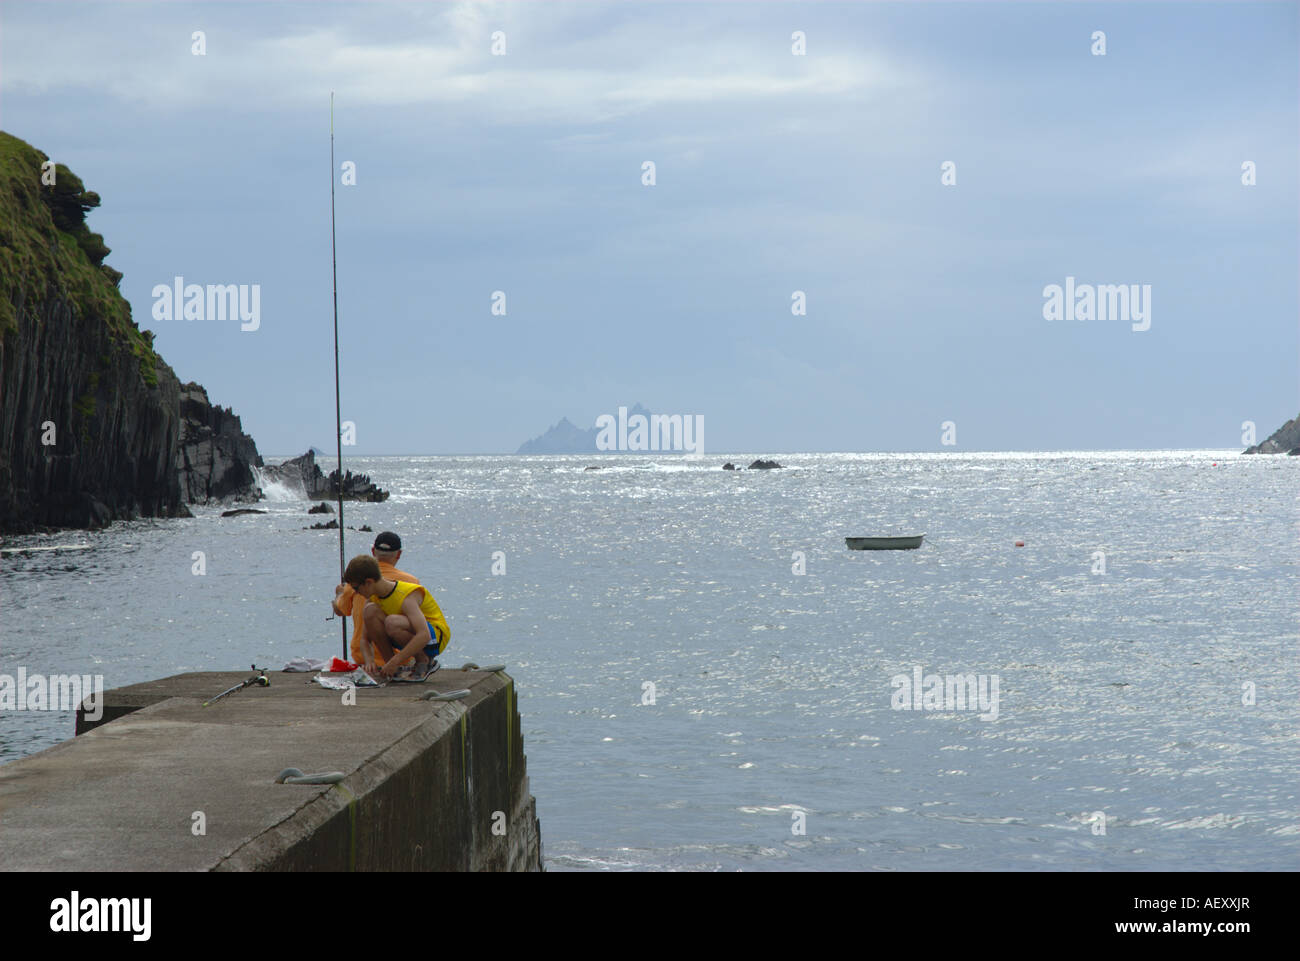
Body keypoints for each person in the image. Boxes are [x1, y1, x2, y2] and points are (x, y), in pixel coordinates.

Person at [343, 553, 450, 680]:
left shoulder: (405, 596)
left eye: (356, 588)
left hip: (435, 637)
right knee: (369, 611)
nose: (356, 592)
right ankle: (392, 670)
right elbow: (365, 640)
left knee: (392, 622)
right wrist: (369, 661)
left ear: (369, 582)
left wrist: (396, 660)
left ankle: (424, 661)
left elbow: (424, 634)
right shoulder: (373, 598)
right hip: (412, 634)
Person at [332, 531, 420, 668]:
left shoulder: (355, 582)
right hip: (402, 658)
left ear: (373, 551)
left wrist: (339, 594)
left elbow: (340, 610)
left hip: (364, 659)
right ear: (399, 554)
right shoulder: (411, 582)